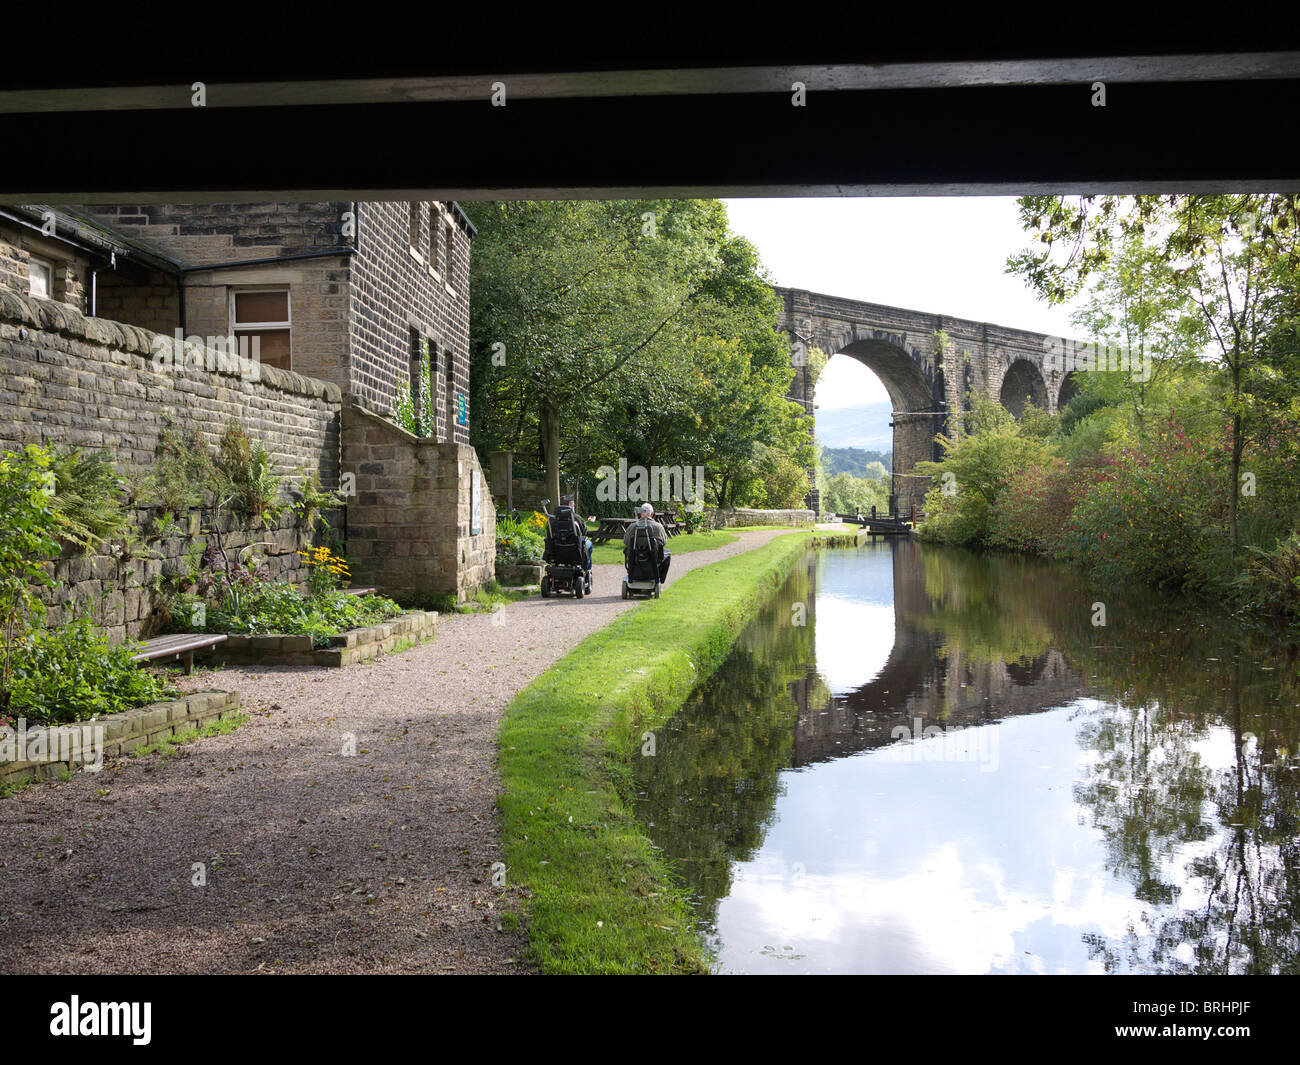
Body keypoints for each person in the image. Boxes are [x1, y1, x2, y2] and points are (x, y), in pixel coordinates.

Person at [623, 502, 671, 582]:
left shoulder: (632, 526)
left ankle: (632, 574)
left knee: (627, 550)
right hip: (653, 558)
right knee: (667, 553)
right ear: (652, 514)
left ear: (641, 514)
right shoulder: (659, 527)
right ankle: (660, 580)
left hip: (635, 557)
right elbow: (664, 543)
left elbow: (625, 542)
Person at [551, 494, 593, 574]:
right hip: (574, 549)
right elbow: (584, 532)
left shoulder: (552, 519)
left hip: (556, 550)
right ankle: (586, 569)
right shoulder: (576, 518)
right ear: (570, 504)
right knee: (589, 544)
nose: (574, 505)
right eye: (573, 504)